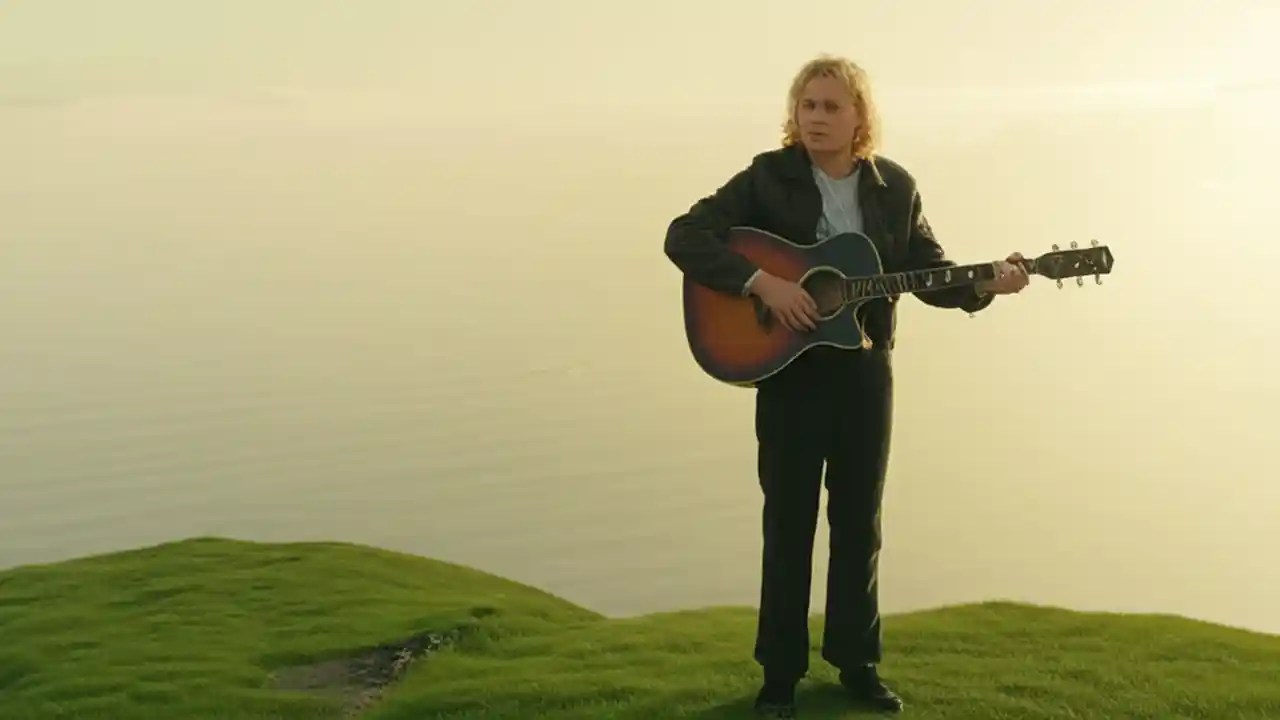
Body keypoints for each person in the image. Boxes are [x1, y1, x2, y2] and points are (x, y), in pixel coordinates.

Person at [662, 54, 1029, 717]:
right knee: (789, 524)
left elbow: (929, 273)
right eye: (808, 106)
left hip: (864, 374)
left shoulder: (895, 188)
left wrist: (984, 286)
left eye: (832, 107)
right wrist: (764, 282)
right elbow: (684, 236)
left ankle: (857, 664)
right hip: (790, 373)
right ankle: (779, 675)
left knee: (860, 523)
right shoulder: (766, 178)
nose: (818, 118)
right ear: (794, 115)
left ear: (860, 117)